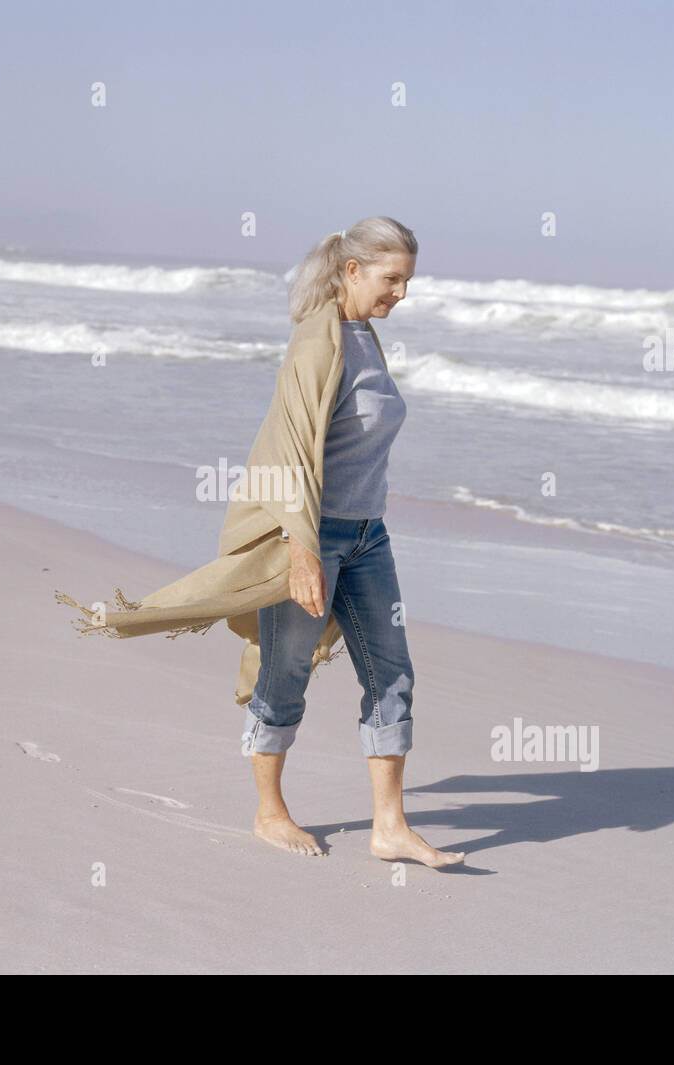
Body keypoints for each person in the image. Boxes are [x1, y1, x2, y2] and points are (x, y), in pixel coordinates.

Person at [243, 216, 464, 867]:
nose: (401, 292)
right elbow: (288, 450)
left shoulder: (365, 334)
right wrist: (303, 551)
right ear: (352, 270)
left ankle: (390, 826)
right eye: (392, 278)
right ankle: (268, 811)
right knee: (284, 671)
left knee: (391, 671)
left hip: (369, 537)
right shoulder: (316, 343)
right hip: (311, 536)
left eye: (407, 281)